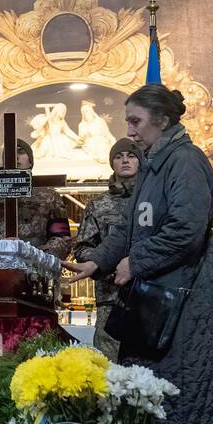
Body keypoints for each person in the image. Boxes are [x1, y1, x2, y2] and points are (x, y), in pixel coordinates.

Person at [63, 84, 213, 424]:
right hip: (157, 301)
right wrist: (99, 261)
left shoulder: (186, 162)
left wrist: (135, 264)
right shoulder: (152, 163)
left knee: (172, 402)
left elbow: (186, 231)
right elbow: (128, 227)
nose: (129, 131)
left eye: (136, 121)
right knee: (165, 404)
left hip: (181, 304)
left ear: (162, 121)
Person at [73, 137, 141, 357]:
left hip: (150, 296)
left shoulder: (152, 199)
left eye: (131, 156)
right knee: (109, 369)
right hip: (110, 299)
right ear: (112, 163)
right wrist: (110, 266)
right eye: (119, 157)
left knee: (147, 370)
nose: (125, 161)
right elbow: (82, 249)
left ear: (141, 161)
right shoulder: (98, 204)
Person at [0, 138, 72, 258]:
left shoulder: (49, 198)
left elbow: (62, 237)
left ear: (31, 162)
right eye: (10, 153)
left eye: (21, 152)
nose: (15, 157)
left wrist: (34, 256)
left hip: (37, 268)